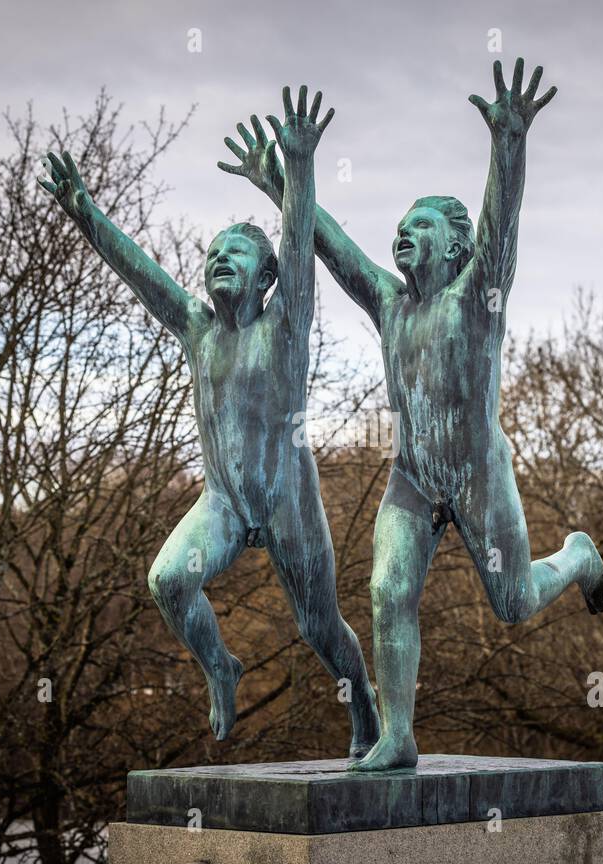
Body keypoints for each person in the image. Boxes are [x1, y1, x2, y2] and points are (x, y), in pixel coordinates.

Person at [221, 60, 603, 771]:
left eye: (419, 227)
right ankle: (398, 733)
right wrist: (280, 182)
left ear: (455, 247)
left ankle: (578, 555)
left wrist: (508, 143)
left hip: (476, 474)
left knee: (515, 602)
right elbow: (332, 247)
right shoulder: (390, 303)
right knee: (386, 588)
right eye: (399, 227)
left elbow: (503, 221)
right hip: (412, 479)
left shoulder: (476, 295)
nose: (402, 235)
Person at [41, 86, 380, 757]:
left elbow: (298, 235)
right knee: (167, 579)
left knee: (319, 626)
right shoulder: (198, 329)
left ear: (266, 278)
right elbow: (140, 272)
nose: (220, 260)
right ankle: (220, 665)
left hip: (289, 500)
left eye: (237, 254)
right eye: (213, 253)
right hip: (223, 504)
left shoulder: (286, 324)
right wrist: (86, 215)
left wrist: (300, 166)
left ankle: (365, 706)